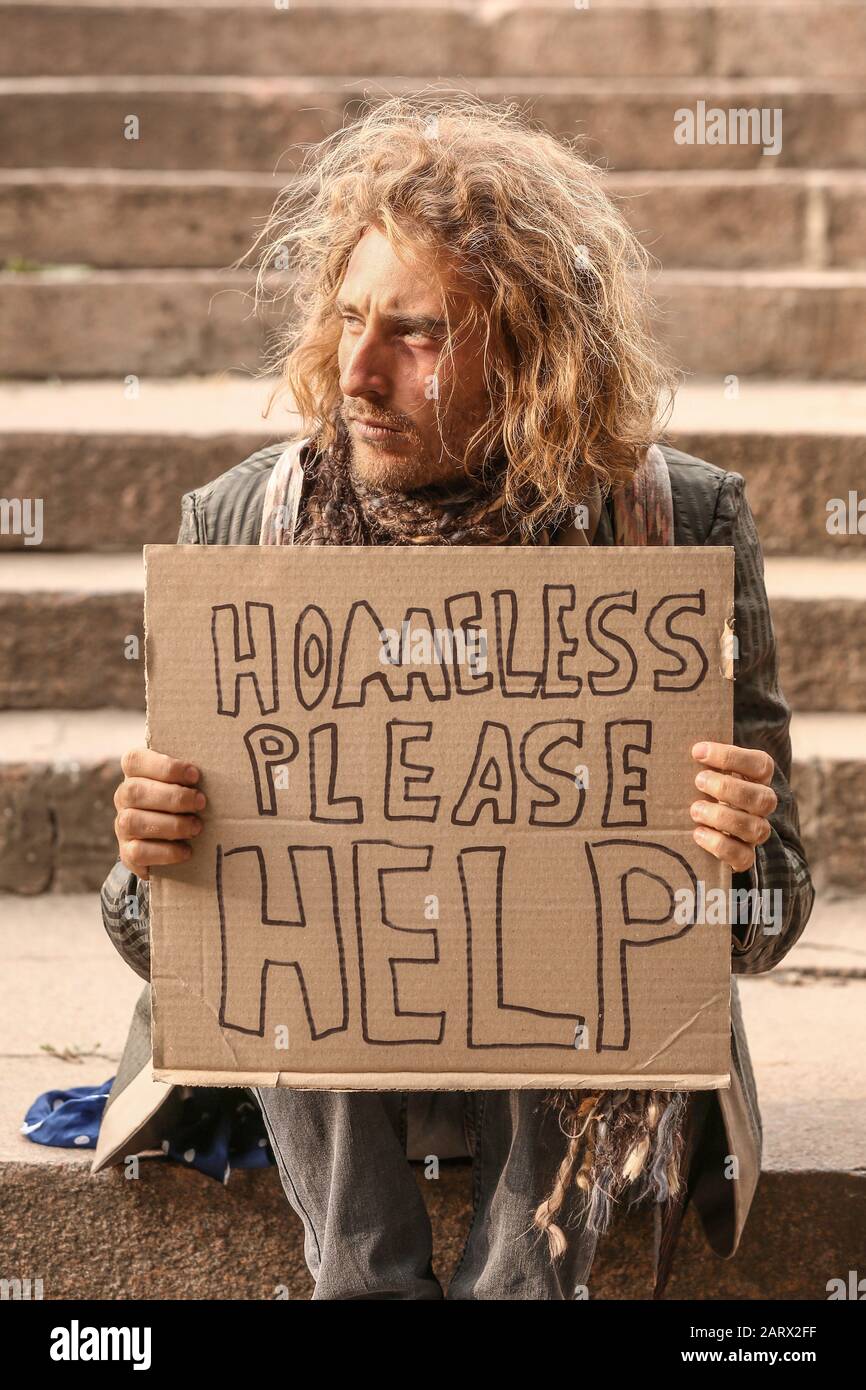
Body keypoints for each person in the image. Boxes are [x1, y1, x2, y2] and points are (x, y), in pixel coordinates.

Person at [98, 95, 814, 1300]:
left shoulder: (675, 524)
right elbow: (156, 942)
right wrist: (152, 859)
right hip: (339, 1077)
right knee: (297, 873)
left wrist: (728, 857)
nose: (360, 375)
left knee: (579, 884)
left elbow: (769, 919)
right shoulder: (245, 526)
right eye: (350, 319)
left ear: (535, 356)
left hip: (564, 1050)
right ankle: (362, 1285)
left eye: (418, 335)